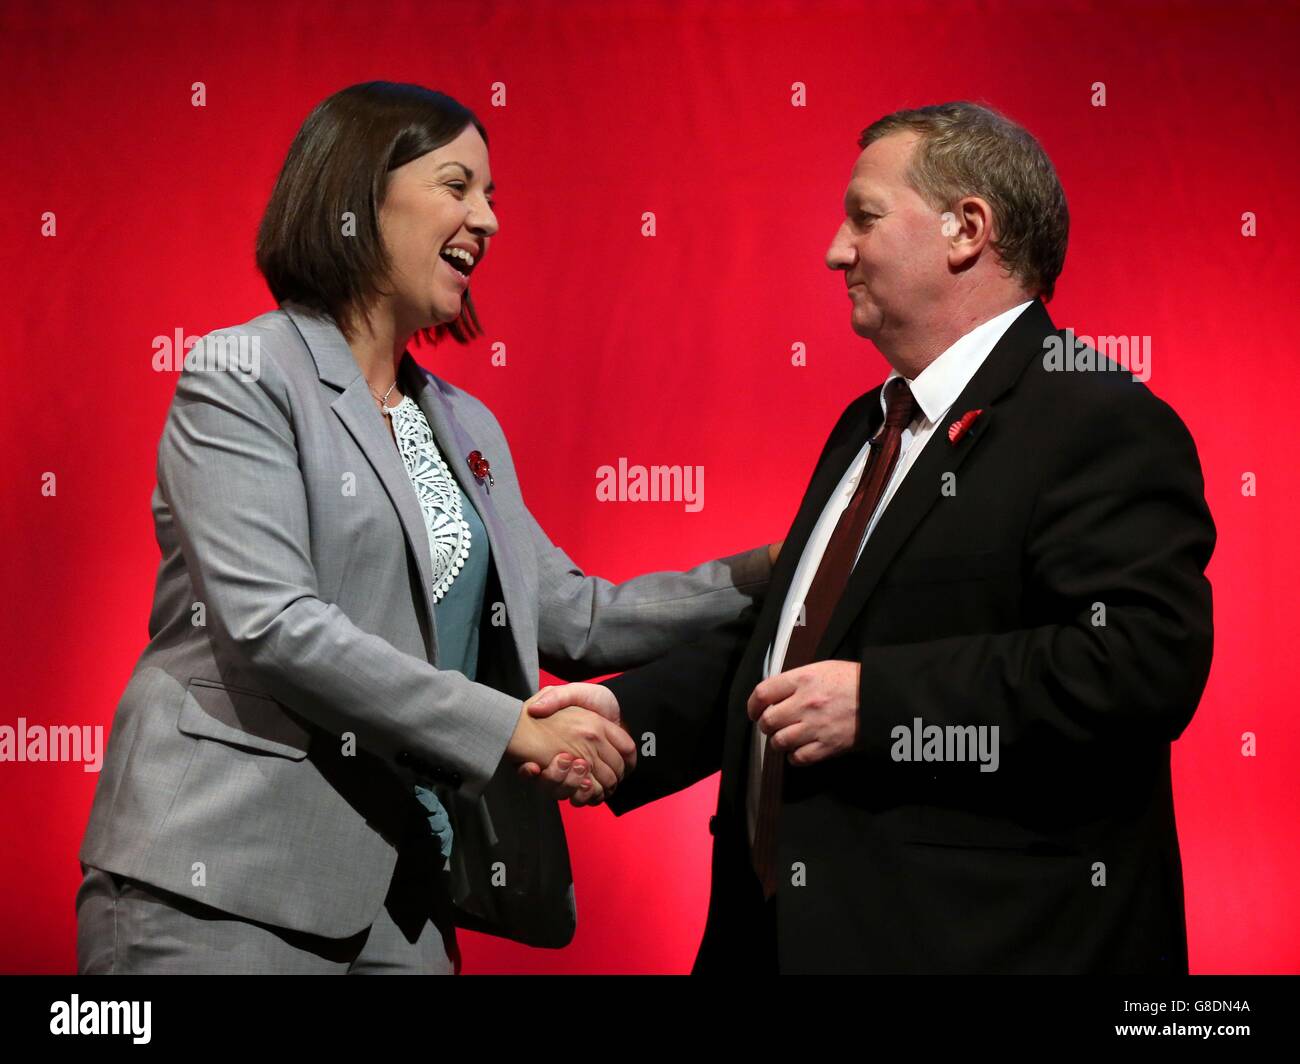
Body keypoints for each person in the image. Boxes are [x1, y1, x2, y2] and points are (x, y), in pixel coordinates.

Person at [75, 81, 777, 974]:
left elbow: (573, 614)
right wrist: (510, 728)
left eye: (491, 198)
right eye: (458, 186)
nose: (486, 220)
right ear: (357, 197)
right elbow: (274, 624)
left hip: (402, 889)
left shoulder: (461, 421)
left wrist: (773, 571)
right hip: (218, 883)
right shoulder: (243, 374)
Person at [528, 101, 1216, 974]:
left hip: (985, 944)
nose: (835, 249)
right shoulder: (871, 422)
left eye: (864, 215)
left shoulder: (1098, 420)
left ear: (967, 229)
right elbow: (796, 643)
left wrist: (884, 704)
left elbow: (1140, 666)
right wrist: (632, 719)